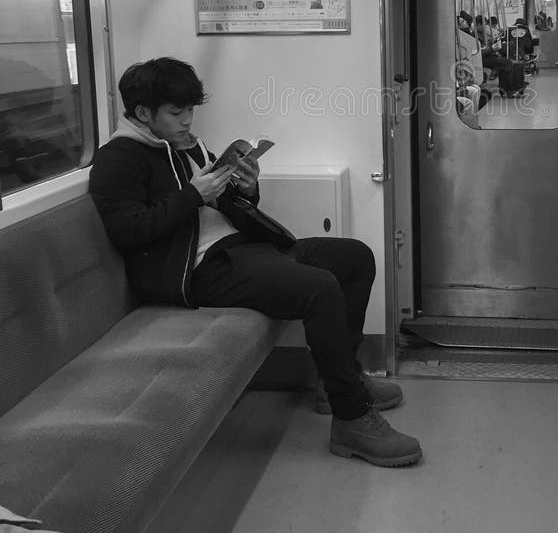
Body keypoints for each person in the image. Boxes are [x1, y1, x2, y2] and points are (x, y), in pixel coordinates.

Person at [89, 57, 421, 467]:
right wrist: (194, 195)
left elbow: (224, 207)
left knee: (354, 257)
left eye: (191, 110)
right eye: (177, 113)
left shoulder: (187, 147)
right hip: (199, 271)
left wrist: (246, 189)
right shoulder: (117, 159)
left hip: (242, 248)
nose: (188, 121)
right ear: (143, 113)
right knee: (319, 288)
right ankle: (351, 417)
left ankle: (337, 379)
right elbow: (128, 231)